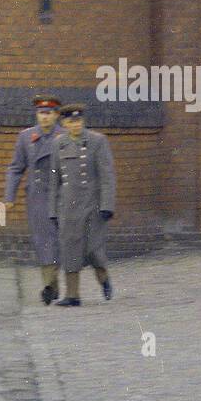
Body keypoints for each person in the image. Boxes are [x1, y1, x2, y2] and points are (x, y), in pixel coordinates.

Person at [48, 103, 115, 307]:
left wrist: (107, 205)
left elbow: (107, 176)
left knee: (94, 248)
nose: (75, 125)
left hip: (93, 204)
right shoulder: (58, 144)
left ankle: (104, 279)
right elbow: (55, 181)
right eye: (70, 121)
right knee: (70, 248)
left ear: (83, 121)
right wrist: (53, 210)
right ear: (63, 123)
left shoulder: (97, 141)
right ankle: (72, 295)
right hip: (68, 206)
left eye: (78, 120)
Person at [4, 94, 63, 305]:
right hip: (38, 196)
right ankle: (49, 285)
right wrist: (9, 196)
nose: (44, 117)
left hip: (61, 195)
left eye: (48, 113)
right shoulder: (26, 137)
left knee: (59, 240)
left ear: (56, 115)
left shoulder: (65, 136)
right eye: (40, 113)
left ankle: (52, 284)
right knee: (44, 240)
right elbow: (15, 168)